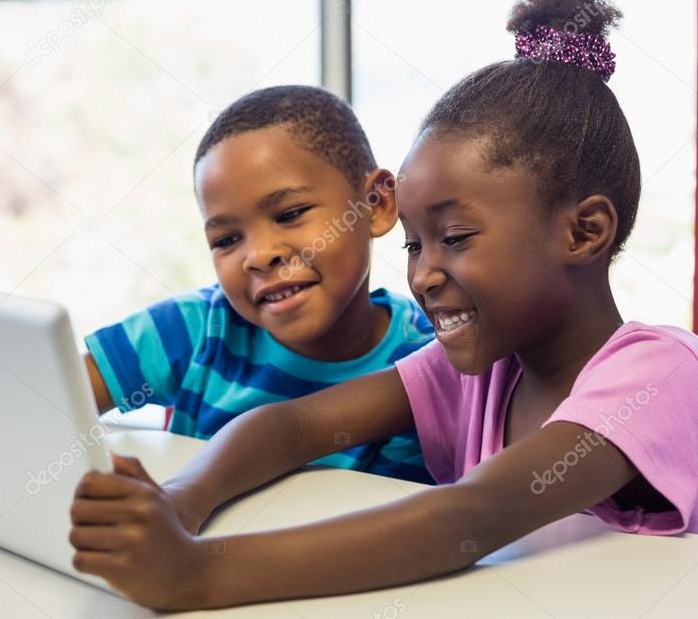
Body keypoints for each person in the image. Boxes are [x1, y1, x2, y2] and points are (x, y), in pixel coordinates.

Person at [69, 0, 698, 610]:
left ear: (583, 232)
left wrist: (195, 574)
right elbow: (294, 426)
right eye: (415, 244)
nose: (423, 275)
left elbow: (469, 514)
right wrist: (184, 496)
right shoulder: (479, 369)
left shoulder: (655, 371)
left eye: (455, 236)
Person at [84, 84, 435, 484]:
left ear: (376, 204)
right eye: (227, 240)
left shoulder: (426, 366)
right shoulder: (194, 327)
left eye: (290, 214)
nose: (258, 256)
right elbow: (48, 399)